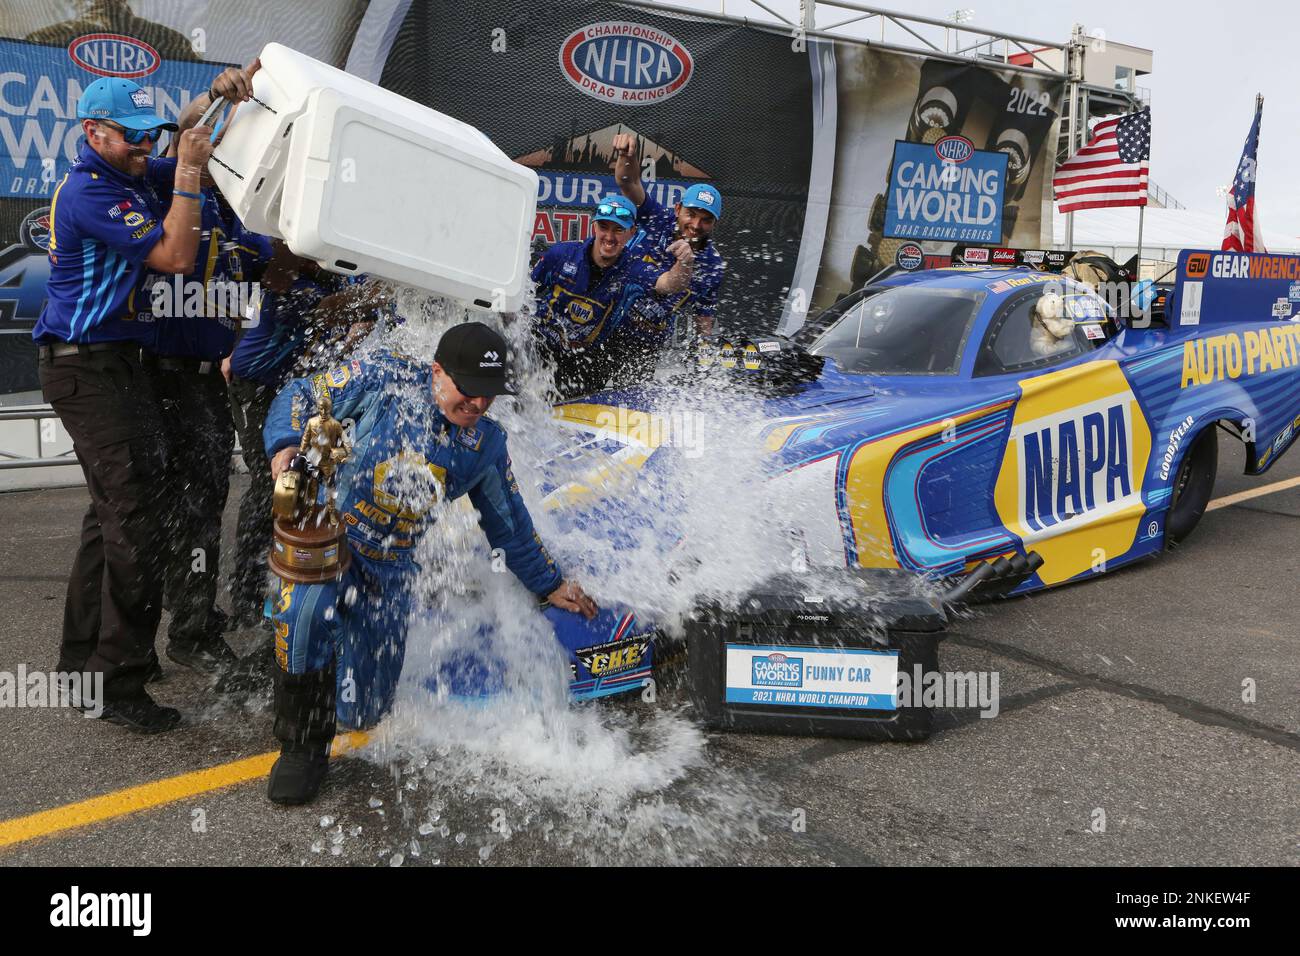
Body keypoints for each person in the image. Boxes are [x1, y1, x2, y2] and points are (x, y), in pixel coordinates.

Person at [260, 321, 598, 804]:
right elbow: (300, 393)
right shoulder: (381, 379)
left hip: (392, 572)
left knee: (363, 713)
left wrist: (549, 582)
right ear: (437, 371)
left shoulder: (487, 445)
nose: (478, 404)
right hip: (330, 544)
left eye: (489, 394)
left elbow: (509, 523)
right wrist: (287, 449)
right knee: (304, 615)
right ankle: (300, 746)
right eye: (469, 390)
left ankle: (319, 664)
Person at [32, 67, 246, 732]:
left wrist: (216, 95)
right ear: (93, 133)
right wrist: (184, 175)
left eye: (146, 136)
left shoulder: (125, 171)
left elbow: (182, 137)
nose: (144, 148)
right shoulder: (93, 191)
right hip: (89, 370)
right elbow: (178, 258)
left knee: (108, 517)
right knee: (136, 526)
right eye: (130, 138)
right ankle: (118, 682)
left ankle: (79, 662)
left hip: (109, 366)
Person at [137, 71, 271, 676]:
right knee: (155, 506)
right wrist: (218, 94)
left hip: (205, 381)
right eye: (218, 133)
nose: (222, 141)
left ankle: (193, 622)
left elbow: (276, 263)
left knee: (205, 501)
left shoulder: (236, 211)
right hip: (158, 373)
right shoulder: (170, 182)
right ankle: (157, 632)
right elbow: (188, 130)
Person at [530, 195, 691, 398]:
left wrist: (685, 263)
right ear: (594, 227)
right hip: (539, 345)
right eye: (604, 227)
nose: (609, 236)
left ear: (631, 233)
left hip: (581, 360)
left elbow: (669, 284)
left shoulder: (632, 269)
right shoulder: (561, 254)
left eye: (618, 229)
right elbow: (525, 292)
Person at [611, 133, 726, 381]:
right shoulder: (659, 219)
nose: (696, 225)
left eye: (706, 220)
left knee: (627, 413)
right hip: (606, 323)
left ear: (714, 224)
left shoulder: (713, 265)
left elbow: (703, 320)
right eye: (691, 214)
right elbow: (628, 183)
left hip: (644, 345)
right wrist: (626, 156)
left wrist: (705, 364)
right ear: (677, 210)